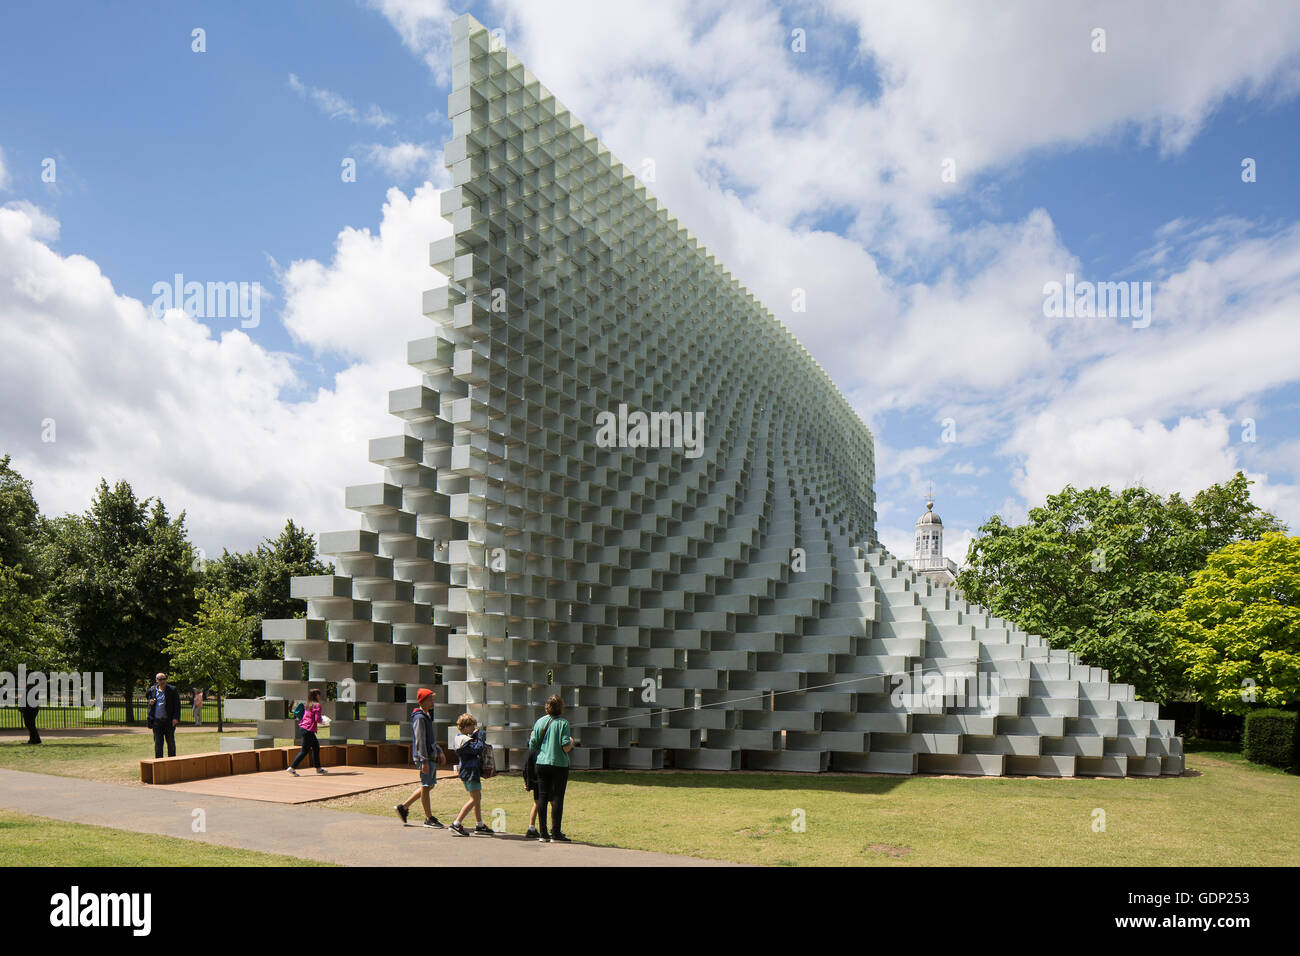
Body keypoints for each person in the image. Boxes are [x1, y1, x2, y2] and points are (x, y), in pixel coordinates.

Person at [396, 687, 445, 829]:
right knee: (426, 785)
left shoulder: (426, 716)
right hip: (425, 758)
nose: (433, 702)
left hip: (429, 756)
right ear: (422, 701)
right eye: (430, 700)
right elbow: (420, 741)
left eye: (433, 700)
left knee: (429, 785)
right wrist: (424, 761)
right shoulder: (419, 718)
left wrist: (439, 751)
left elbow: (430, 739)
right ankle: (429, 818)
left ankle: (403, 807)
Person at [529, 694, 575, 843]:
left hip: (542, 763)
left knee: (542, 797)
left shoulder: (540, 721)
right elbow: (565, 746)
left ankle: (543, 833)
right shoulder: (563, 723)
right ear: (561, 707)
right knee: (557, 797)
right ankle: (555, 832)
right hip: (559, 764)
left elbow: (533, 745)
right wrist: (572, 742)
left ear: (547, 707)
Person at [448, 713, 492, 837]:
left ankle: (479, 824)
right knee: (475, 799)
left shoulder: (460, 738)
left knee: (477, 797)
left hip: (468, 771)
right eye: (472, 726)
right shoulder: (463, 740)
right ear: (466, 727)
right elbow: (477, 749)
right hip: (470, 772)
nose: (473, 728)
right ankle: (456, 823)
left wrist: (476, 737)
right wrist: (481, 738)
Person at [287, 689, 328, 776]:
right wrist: (324, 721)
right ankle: (292, 768)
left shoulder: (308, 704)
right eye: (319, 694)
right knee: (304, 751)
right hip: (308, 729)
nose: (320, 696)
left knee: (316, 747)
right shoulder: (317, 705)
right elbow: (317, 719)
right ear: (316, 695)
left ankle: (318, 768)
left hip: (303, 728)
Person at [146, 673, 181, 758]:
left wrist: (175, 718)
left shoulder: (172, 690)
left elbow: (177, 705)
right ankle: (159, 763)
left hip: (168, 721)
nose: (162, 681)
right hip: (157, 721)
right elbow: (148, 697)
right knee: (158, 743)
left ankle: (172, 762)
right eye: (160, 679)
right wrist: (150, 701)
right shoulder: (152, 689)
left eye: (164, 679)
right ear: (156, 680)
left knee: (170, 742)